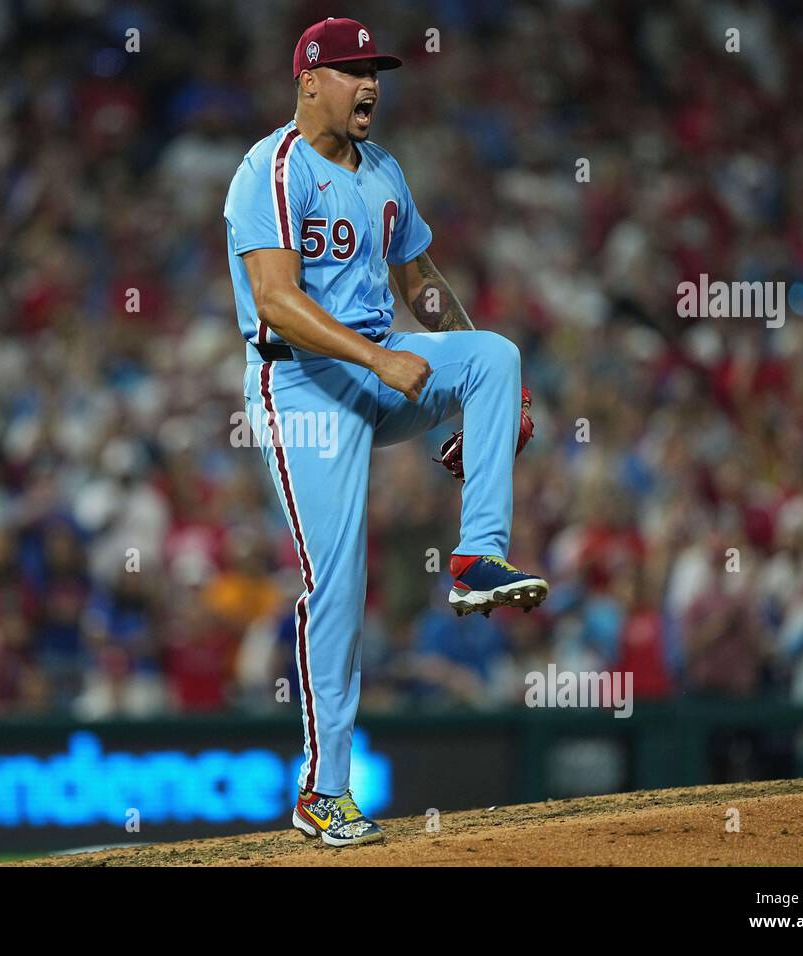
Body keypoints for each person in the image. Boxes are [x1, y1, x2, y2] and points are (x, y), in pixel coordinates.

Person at [223, 17, 547, 847]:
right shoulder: (271, 168)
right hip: (302, 382)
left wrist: (481, 399)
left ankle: (476, 557)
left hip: (379, 359)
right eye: (351, 70)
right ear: (308, 82)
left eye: (376, 70)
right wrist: (377, 357)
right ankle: (323, 792)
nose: (369, 84)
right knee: (337, 582)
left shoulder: (385, 171)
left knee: (496, 358)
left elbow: (421, 279)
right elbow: (274, 301)